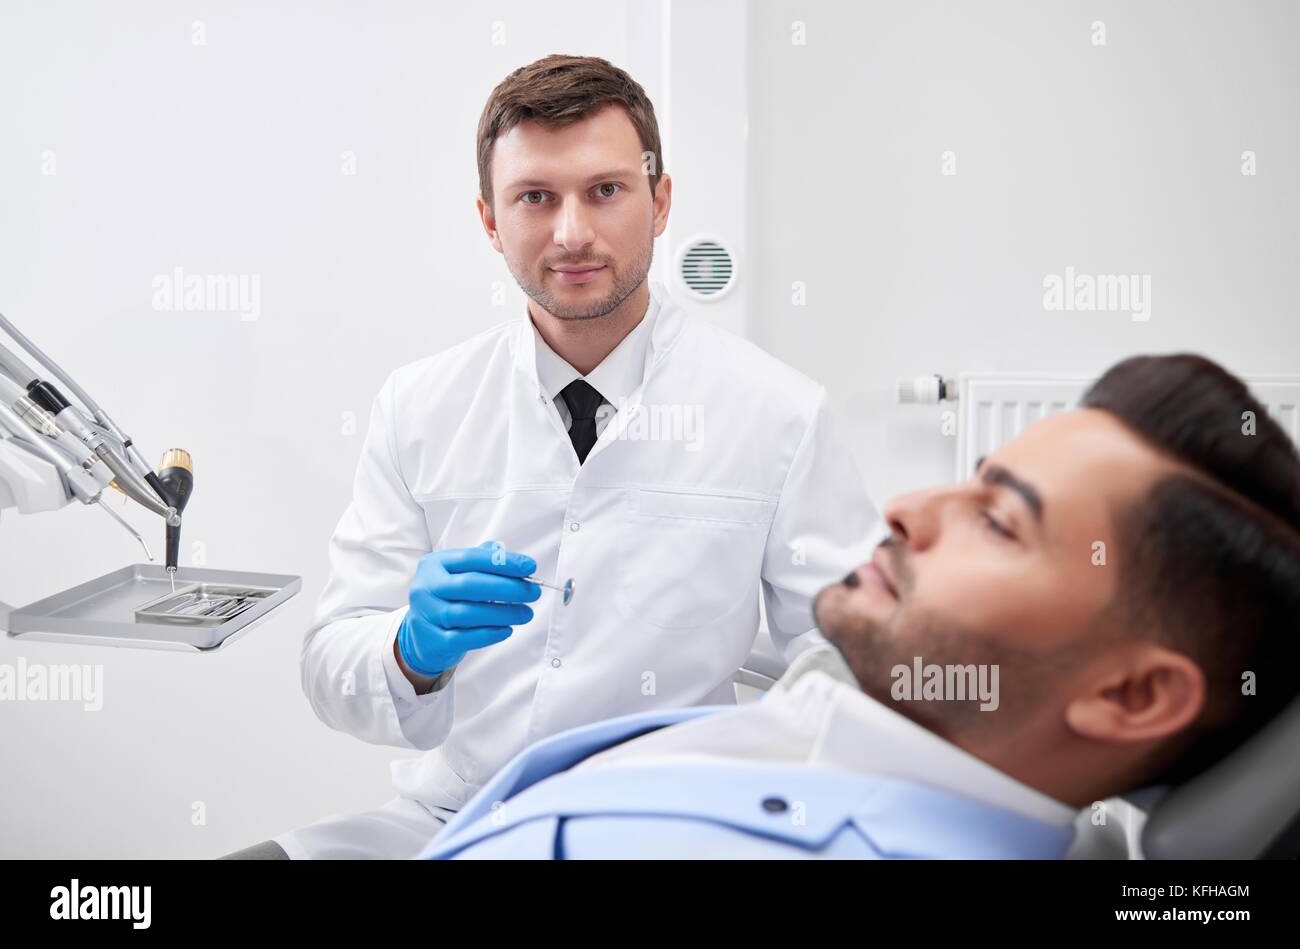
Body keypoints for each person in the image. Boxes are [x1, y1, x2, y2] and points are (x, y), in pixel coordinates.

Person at [230, 55, 880, 860]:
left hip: (675, 830)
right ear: (490, 220)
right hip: (452, 819)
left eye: (605, 190)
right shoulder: (421, 403)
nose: (572, 232)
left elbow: (854, 656)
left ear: (661, 200)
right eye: (536, 197)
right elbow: (332, 666)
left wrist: (744, 781)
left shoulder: (778, 412)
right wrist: (411, 649)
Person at [415, 354, 1300, 859]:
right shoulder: (844, 725)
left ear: (1131, 695)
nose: (906, 510)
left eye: (997, 522)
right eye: (972, 483)